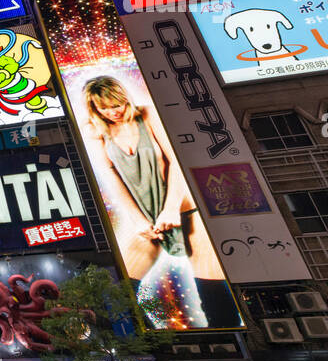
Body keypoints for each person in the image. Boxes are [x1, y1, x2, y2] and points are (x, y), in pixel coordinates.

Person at [81, 75, 238, 327]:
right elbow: (110, 174)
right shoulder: (95, 131)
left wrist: (171, 209)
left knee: (214, 296)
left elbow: (175, 159)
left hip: (186, 209)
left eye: (117, 104)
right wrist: (136, 218)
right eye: (105, 107)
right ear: (95, 109)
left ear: (125, 98)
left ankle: (231, 345)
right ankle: (159, 345)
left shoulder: (147, 115)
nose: (114, 111)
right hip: (146, 214)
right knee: (117, 290)